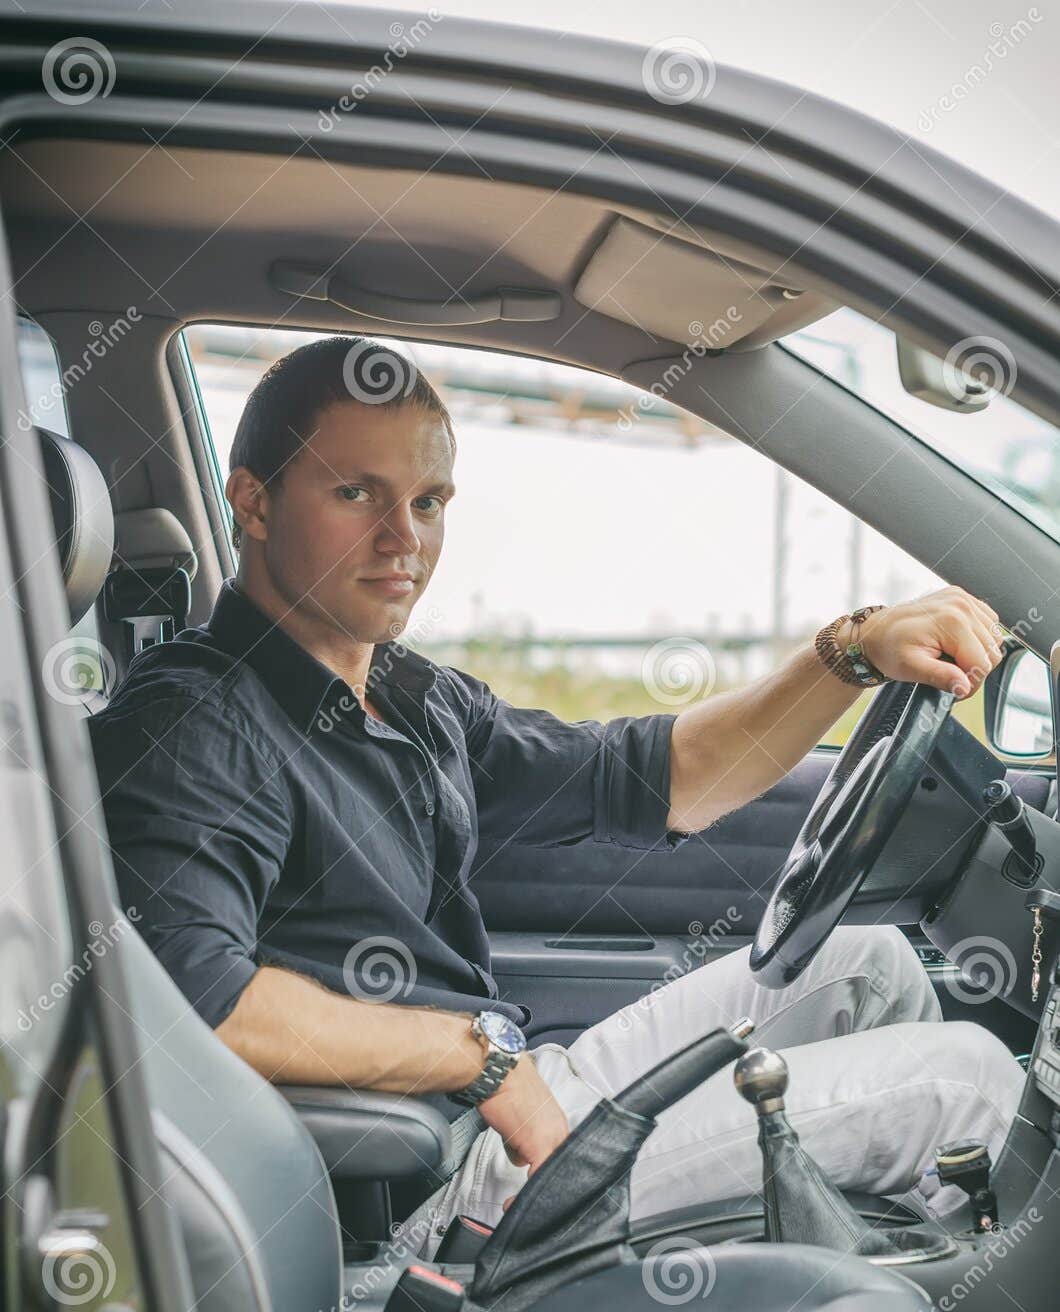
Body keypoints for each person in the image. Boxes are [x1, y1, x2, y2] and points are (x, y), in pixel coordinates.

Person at [90, 335, 1024, 1246]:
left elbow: (662, 777)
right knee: (970, 1083)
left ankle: (901, 1287)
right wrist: (480, 1062)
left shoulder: (405, 693)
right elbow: (191, 996)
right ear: (252, 503)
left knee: (872, 965)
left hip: (493, 1099)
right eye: (355, 493)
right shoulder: (195, 719)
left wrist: (851, 652)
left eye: (428, 501)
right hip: (426, 1189)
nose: (402, 538)